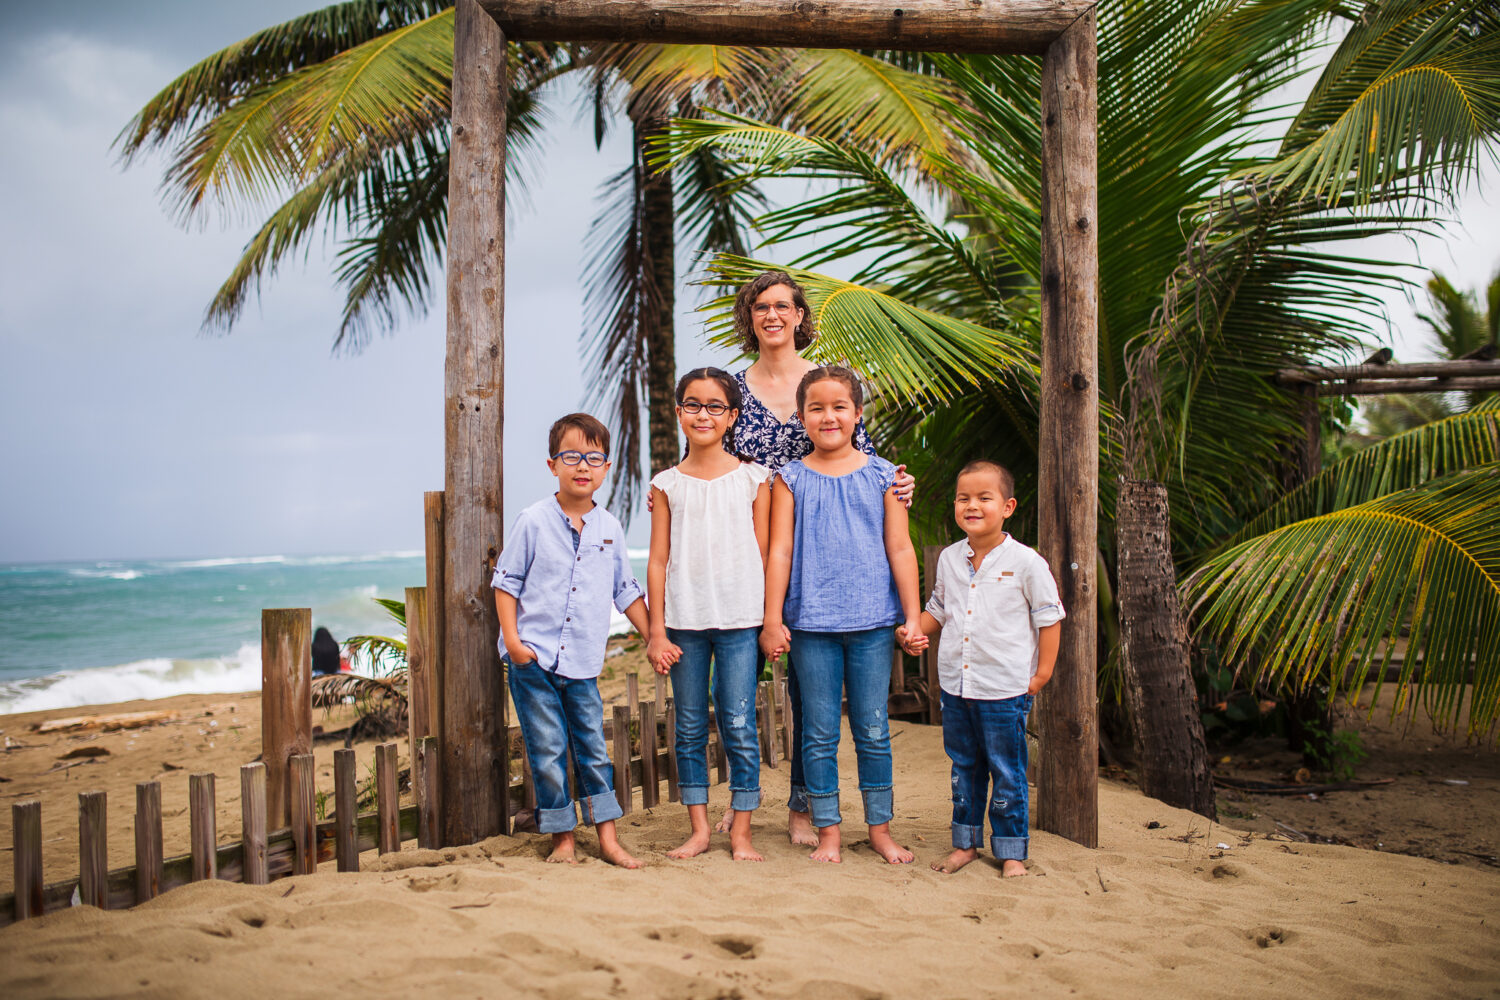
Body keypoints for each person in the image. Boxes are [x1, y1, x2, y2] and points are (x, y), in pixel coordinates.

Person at [724, 270, 915, 847]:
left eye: (783, 305)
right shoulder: (733, 388)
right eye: (761, 307)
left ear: (802, 315)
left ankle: (806, 808)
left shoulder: (830, 384)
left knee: (834, 713)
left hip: (845, 564)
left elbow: (870, 463)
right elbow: (709, 456)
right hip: (762, 554)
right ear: (749, 317)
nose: (772, 315)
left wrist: (898, 486)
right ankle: (757, 815)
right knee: (780, 699)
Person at [761, 366, 923, 864]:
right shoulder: (789, 478)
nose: (828, 416)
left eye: (839, 407)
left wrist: (912, 617)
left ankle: (880, 830)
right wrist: (773, 619)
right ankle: (828, 831)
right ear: (802, 416)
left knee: (874, 729)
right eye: (816, 408)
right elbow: (780, 551)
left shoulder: (885, 475)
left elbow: (899, 548)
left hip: (873, 623)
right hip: (811, 626)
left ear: (856, 414)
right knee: (819, 732)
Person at [492, 412, 652, 868]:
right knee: (546, 752)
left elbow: (625, 590)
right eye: (572, 456)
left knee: (592, 751)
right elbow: (507, 584)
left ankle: (608, 839)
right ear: (552, 464)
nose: (583, 466)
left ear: (605, 468)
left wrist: (652, 637)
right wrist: (513, 643)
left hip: (582, 664)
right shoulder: (533, 521)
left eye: (594, 458)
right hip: (533, 662)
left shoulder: (611, 529)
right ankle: (563, 840)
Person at [897, 460, 1064, 878]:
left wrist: (1041, 675)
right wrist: (916, 630)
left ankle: (1010, 850)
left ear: (1007, 507)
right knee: (964, 768)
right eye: (963, 498)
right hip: (956, 686)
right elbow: (939, 610)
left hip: (1005, 690)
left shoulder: (1027, 563)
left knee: (1007, 771)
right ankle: (966, 844)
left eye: (983, 498)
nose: (972, 505)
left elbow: (1049, 618)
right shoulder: (951, 559)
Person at [645, 368, 771, 862]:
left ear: (732, 416)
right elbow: (657, 559)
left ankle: (741, 832)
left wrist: (769, 619)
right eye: (693, 404)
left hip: (742, 621)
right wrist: (656, 630)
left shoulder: (754, 478)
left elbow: (764, 553)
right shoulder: (666, 484)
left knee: (740, 723)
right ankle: (699, 830)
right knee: (690, 726)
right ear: (679, 414)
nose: (703, 414)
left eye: (715, 405)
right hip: (683, 622)